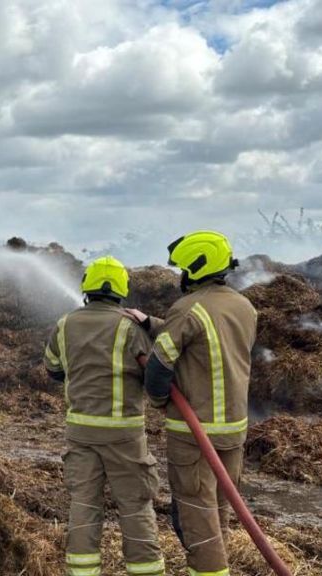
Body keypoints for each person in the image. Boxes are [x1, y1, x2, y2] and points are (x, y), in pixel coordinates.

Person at [140, 231, 258, 576]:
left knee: (195, 518)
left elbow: (159, 365)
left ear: (196, 267)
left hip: (195, 434)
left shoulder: (187, 308)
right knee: (217, 510)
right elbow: (205, 338)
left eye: (183, 268)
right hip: (233, 430)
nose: (181, 275)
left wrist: (160, 401)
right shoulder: (244, 306)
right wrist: (150, 323)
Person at [45, 256, 165, 576]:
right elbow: (154, 373)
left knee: (83, 506)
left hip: (80, 432)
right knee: (136, 506)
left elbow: (53, 369)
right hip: (124, 435)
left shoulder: (65, 324)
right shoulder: (130, 327)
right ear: (121, 290)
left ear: (87, 287)